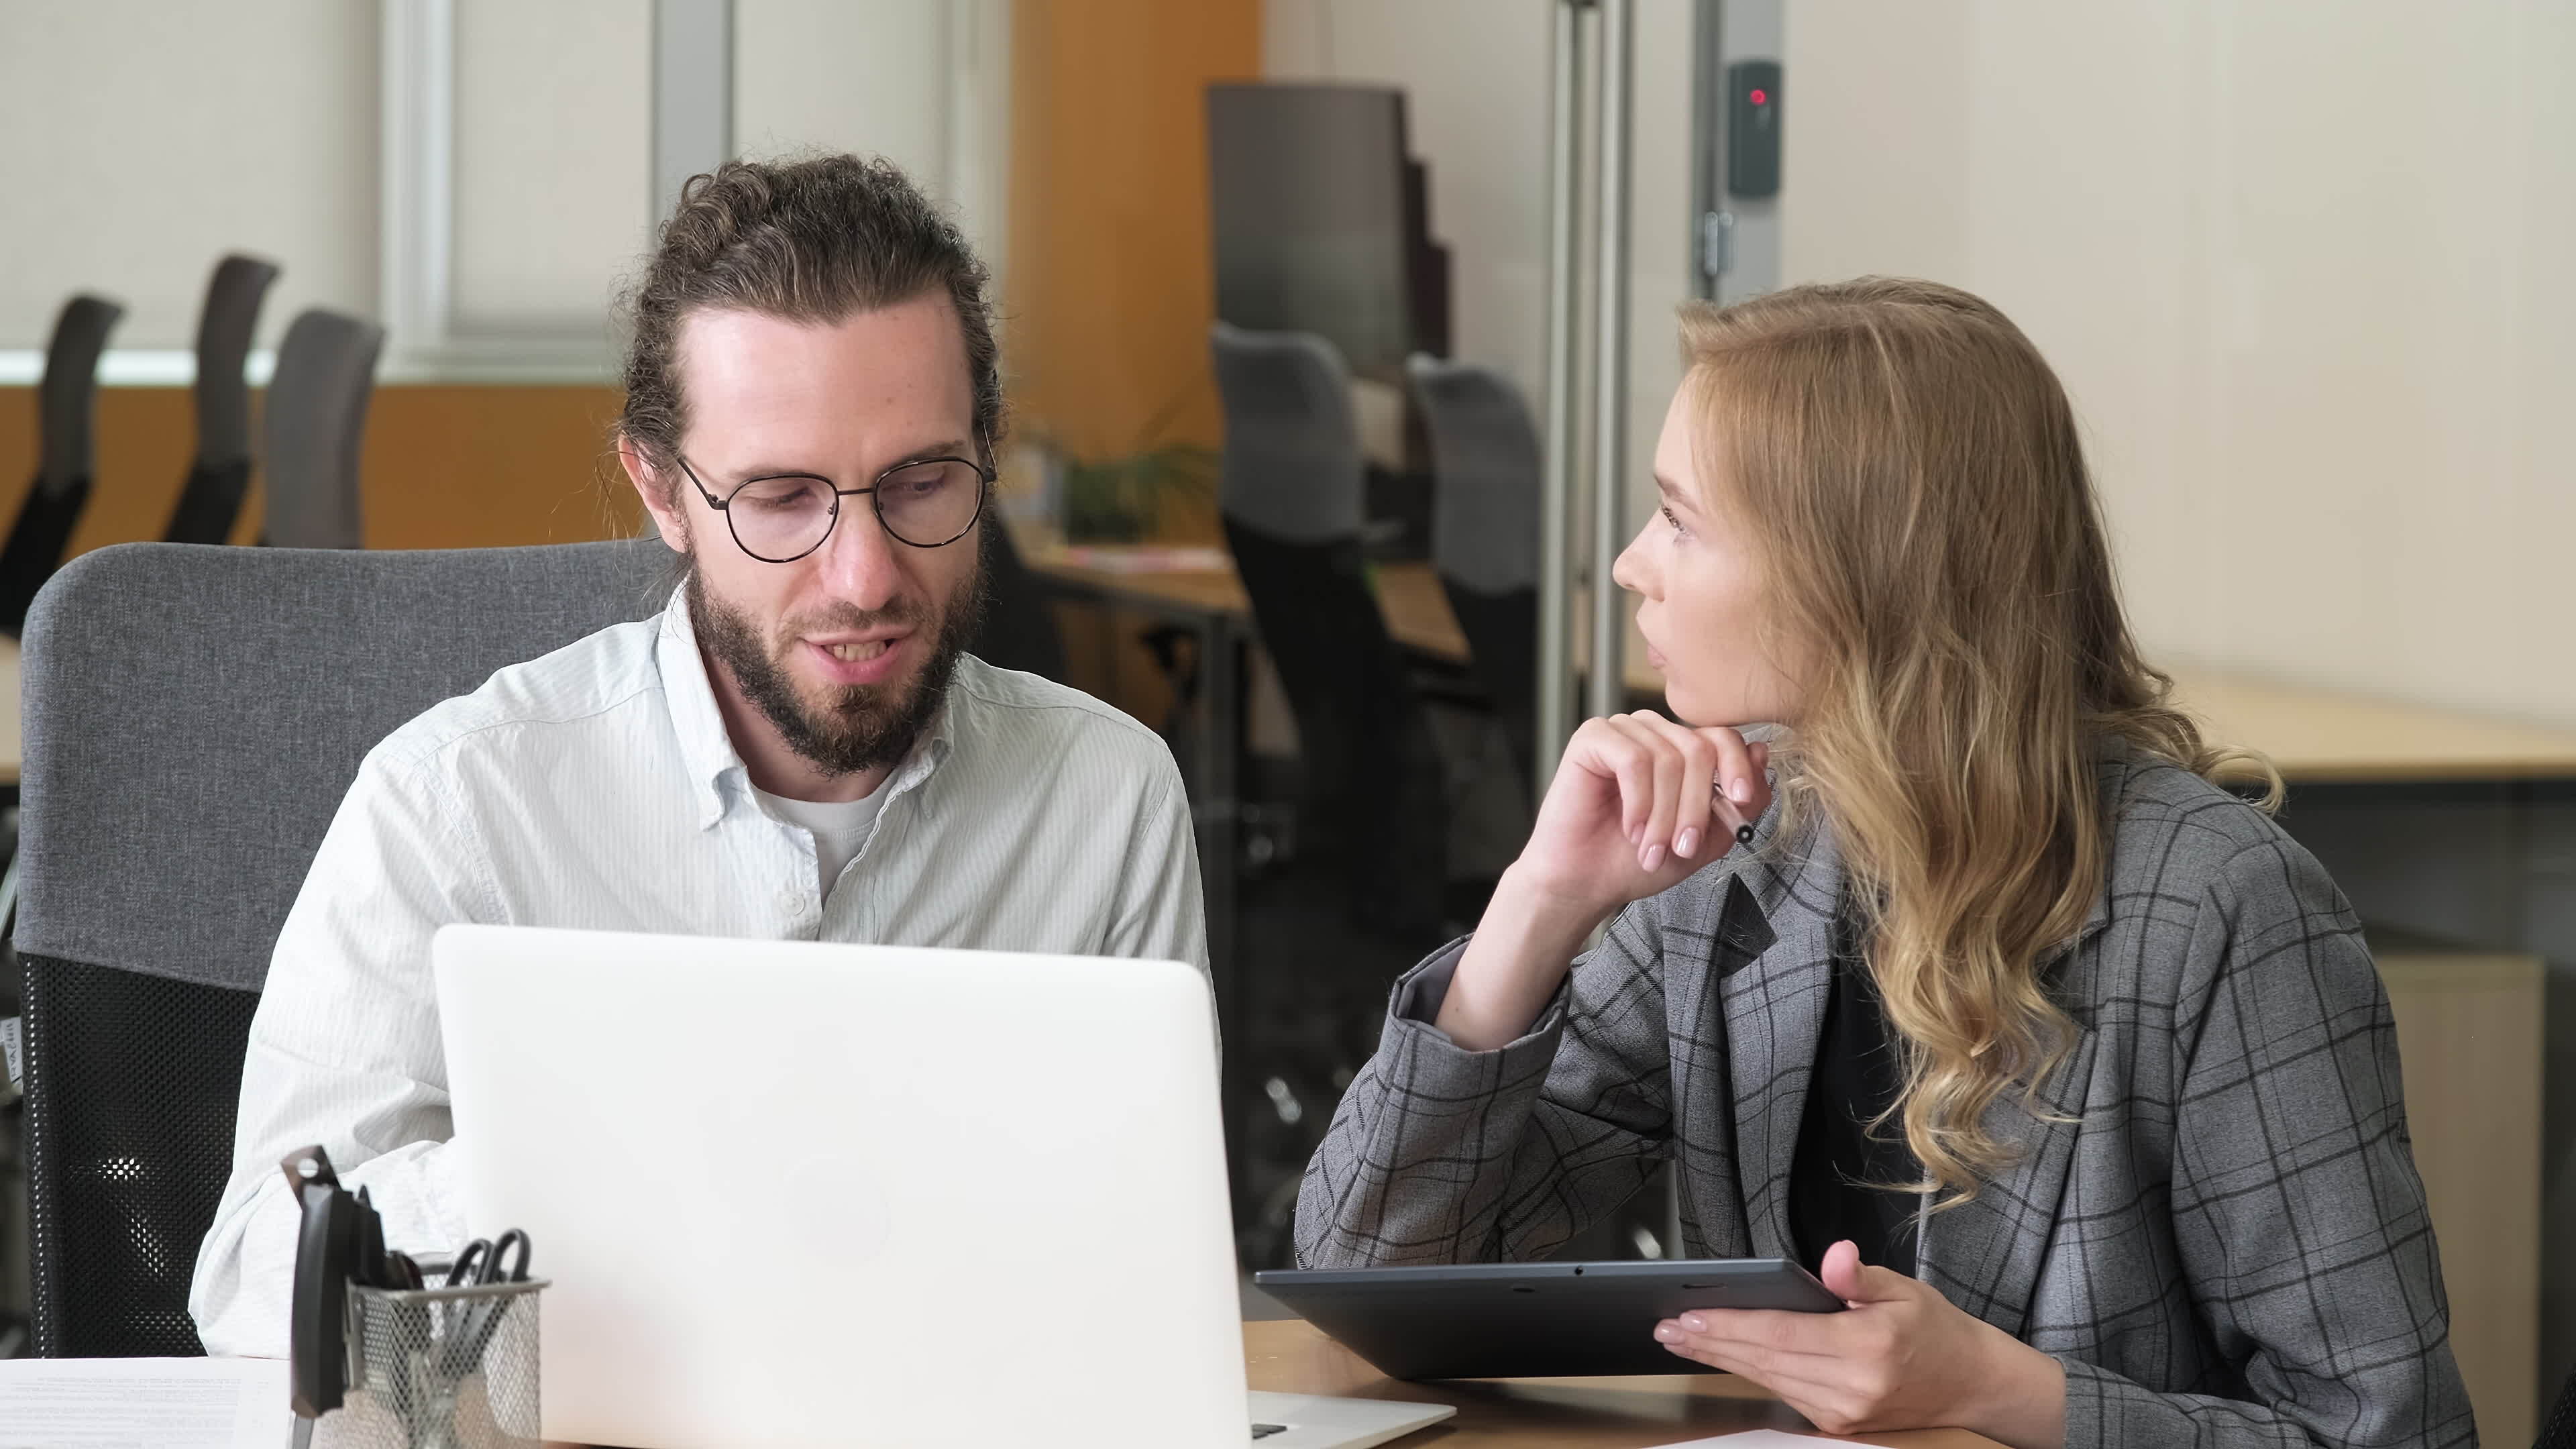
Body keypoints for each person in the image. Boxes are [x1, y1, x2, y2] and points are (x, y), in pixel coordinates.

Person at [1295, 278, 2471, 1448]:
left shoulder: (2218, 911)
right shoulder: (1743, 851)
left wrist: (2002, 1395)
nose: (1629, 565)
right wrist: (1539, 905)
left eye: (1681, 520)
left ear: (1853, 576)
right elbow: (1373, 1272)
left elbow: (2393, 1434)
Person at [191, 155, 1207, 1357]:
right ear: (662, 491)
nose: (866, 576)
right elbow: (258, 1287)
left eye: (922, 482)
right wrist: (618, 1146)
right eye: (782, 499)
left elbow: (1148, 1286)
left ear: (985, 451)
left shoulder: (1109, 796)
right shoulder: (454, 801)